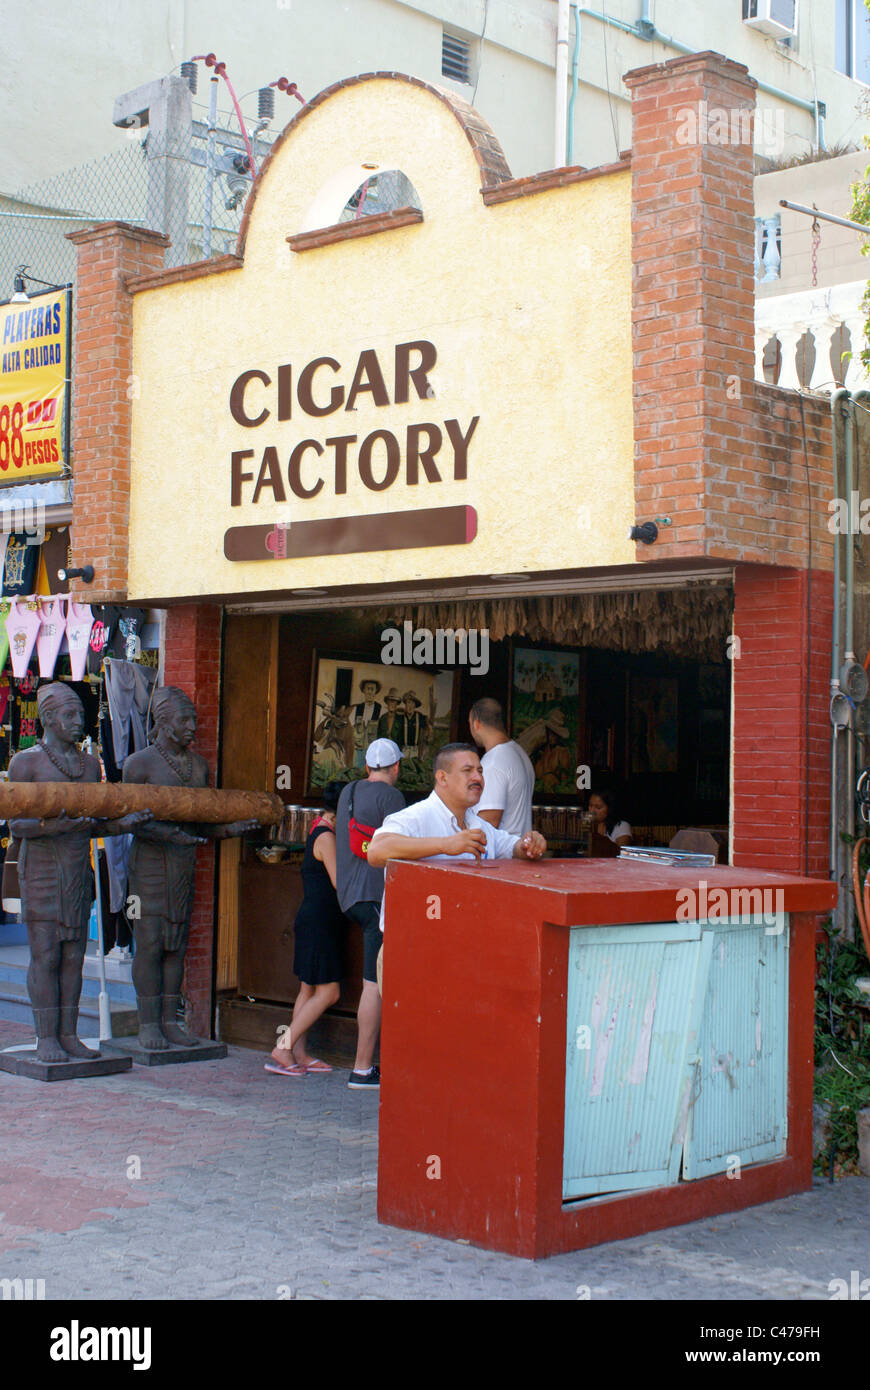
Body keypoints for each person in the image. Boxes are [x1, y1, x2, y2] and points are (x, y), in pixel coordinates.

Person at [367, 743, 547, 924]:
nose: (478, 777)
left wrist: (529, 844)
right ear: (442, 778)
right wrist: (445, 845)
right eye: (467, 770)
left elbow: (512, 847)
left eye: (480, 771)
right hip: (412, 942)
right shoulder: (416, 817)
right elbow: (376, 851)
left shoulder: (479, 825)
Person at [335, 738, 405, 1089]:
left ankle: (367, 1065)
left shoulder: (347, 791)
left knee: (372, 983)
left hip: (349, 899)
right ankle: (362, 1069)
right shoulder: (392, 797)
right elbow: (401, 847)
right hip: (377, 900)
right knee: (373, 985)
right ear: (395, 768)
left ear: (366, 767)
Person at [266, 781, 346, 1078]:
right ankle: (284, 1047)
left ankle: (298, 1052)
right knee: (330, 993)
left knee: (308, 988)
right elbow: (339, 882)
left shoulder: (318, 829)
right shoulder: (326, 837)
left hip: (312, 918)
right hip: (320, 921)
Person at [468, 697, 534, 836]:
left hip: (501, 856)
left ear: (476, 724)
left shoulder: (493, 763)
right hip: (517, 851)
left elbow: (489, 822)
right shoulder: (519, 753)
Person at [349, 679, 383, 768]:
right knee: (358, 770)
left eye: (372, 689)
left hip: (374, 750)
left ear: (376, 692)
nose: (370, 692)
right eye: (368, 689)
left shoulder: (381, 710)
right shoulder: (356, 709)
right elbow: (351, 728)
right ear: (363, 691)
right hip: (358, 750)